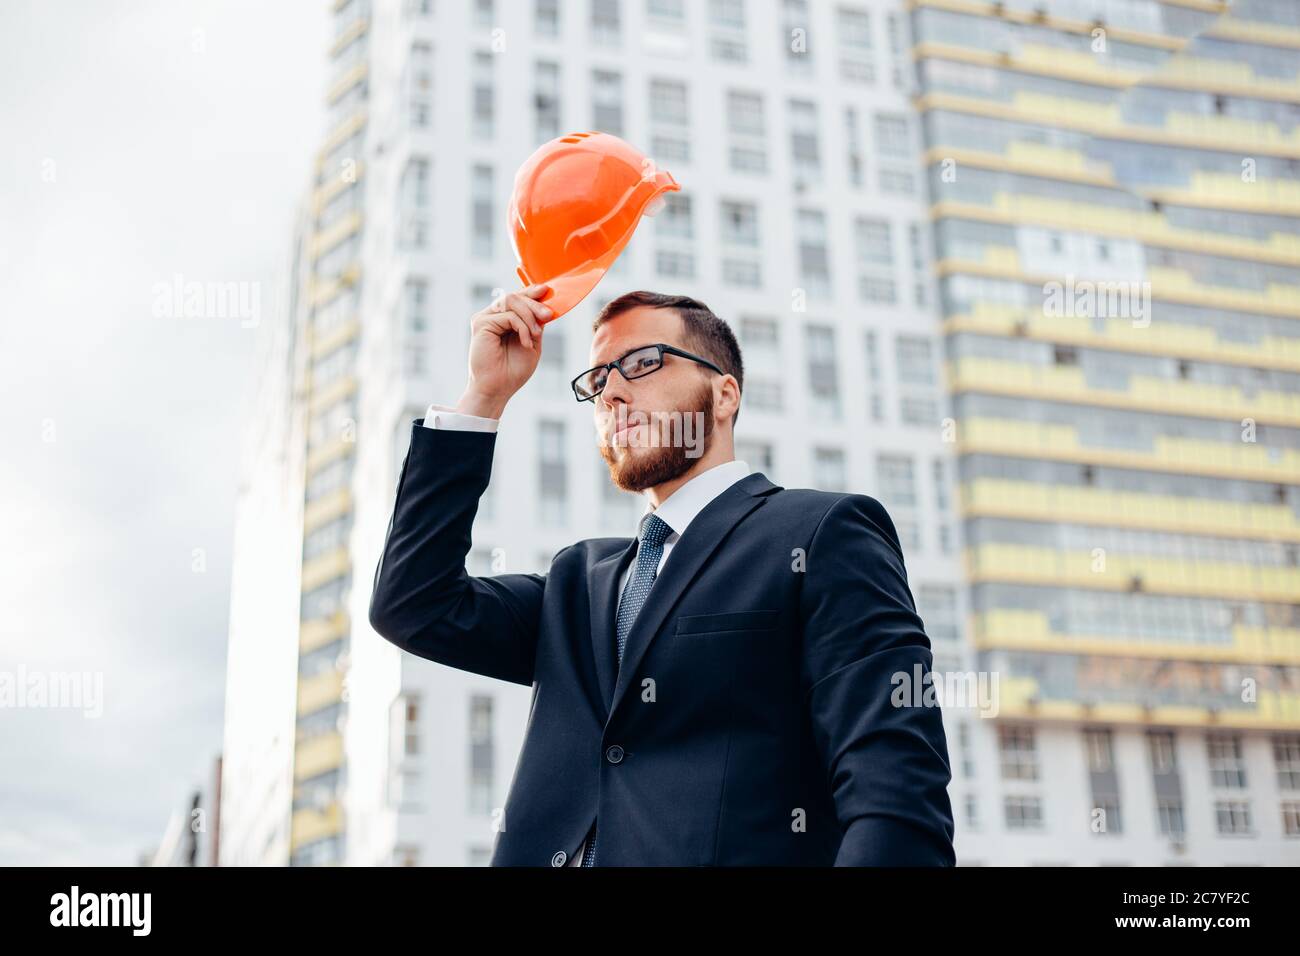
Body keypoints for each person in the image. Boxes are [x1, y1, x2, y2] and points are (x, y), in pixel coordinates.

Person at [369, 285, 957, 866]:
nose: (613, 392)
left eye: (642, 363)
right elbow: (413, 604)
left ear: (724, 394)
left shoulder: (821, 533)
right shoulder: (579, 582)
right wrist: (485, 395)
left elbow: (896, 793)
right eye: (597, 380)